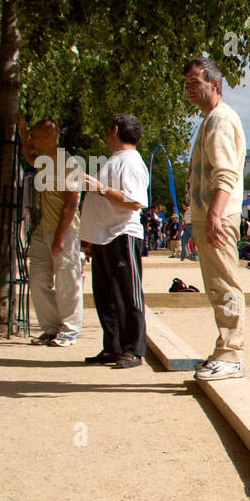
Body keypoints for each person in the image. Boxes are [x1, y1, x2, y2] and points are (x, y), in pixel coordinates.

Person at [183, 56, 247, 381]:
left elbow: (225, 174)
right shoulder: (212, 120)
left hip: (219, 214)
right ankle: (226, 349)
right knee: (218, 284)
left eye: (195, 82)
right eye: (186, 84)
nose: (189, 89)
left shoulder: (220, 120)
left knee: (225, 284)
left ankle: (232, 353)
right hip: (211, 214)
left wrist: (214, 216)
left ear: (214, 84)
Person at [78, 113, 149, 368]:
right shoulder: (115, 161)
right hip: (104, 235)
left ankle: (134, 348)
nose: (104, 134)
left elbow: (135, 200)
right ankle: (114, 345)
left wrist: (99, 188)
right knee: (106, 295)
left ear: (115, 129)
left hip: (121, 233)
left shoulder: (130, 161)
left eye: (106, 129)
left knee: (128, 293)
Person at [15, 114, 86, 347]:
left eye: (35, 136)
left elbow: (71, 203)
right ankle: (50, 328)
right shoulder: (44, 162)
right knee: (37, 280)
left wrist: (59, 237)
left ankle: (69, 330)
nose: (32, 140)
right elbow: (28, 152)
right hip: (43, 231)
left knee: (67, 282)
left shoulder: (70, 163)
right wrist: (23, 128)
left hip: (66, 232)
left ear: (48, 137)